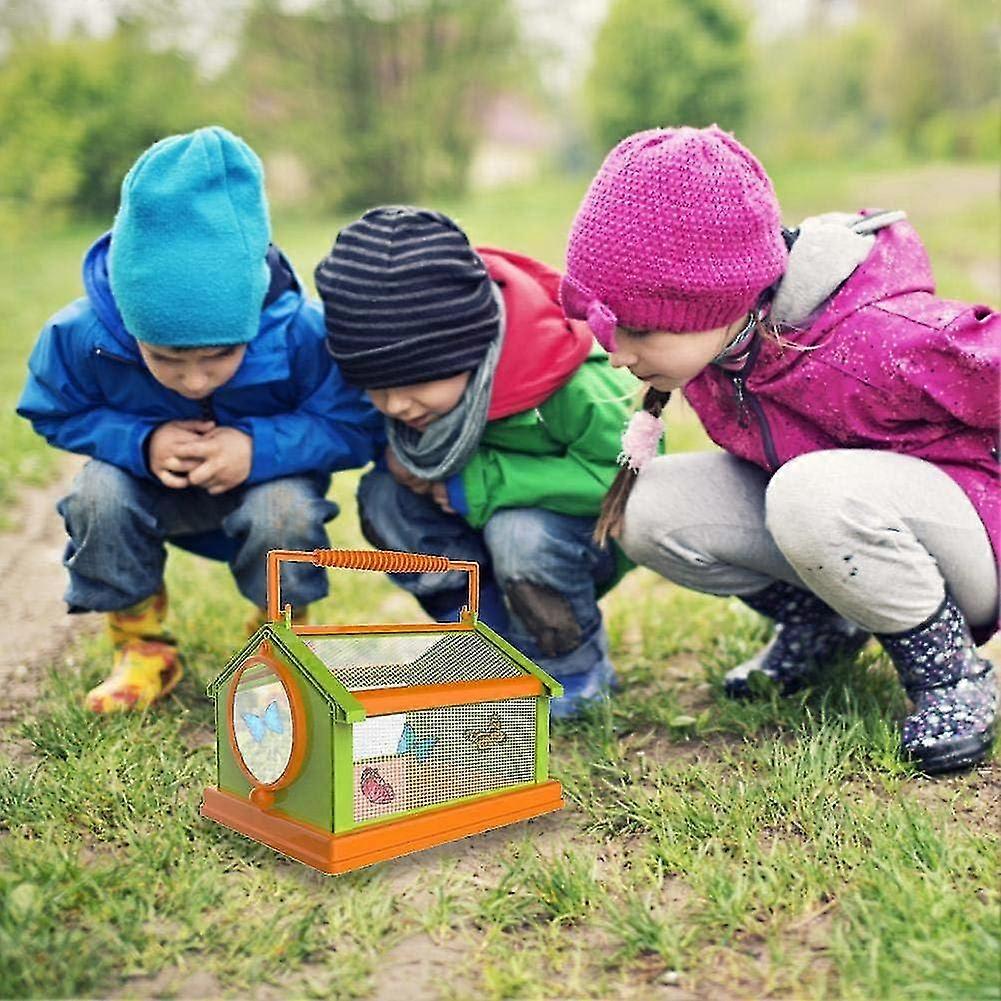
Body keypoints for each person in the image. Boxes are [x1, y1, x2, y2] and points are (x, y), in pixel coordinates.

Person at [559, 124, 998, 772]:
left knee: (806, 491)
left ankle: (951, 674)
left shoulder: (879, 338)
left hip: (966, 539)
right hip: (840, 521)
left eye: (639, 330)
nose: (616, 352)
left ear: (713, 298)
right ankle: (825, 626)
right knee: (644, 506)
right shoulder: (724, 345)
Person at [17, 127, 382, 713]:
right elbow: (53, 408)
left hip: (266, 488)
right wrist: (141, 440)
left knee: (284, 511)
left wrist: (257, 448)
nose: (193, 380)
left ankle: (279, 642)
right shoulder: (81, 334)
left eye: (219, 356)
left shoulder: (302, 332)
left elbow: (355, 424)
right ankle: (141, 646)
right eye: (164, 358)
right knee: (96, 495)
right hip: (148, 488)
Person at [315, 206, 639, 717]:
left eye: (414, 383)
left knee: (520, 532)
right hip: (474, 531)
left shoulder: (571, 380)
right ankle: (483, 650)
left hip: (572, 539)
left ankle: (573, 666)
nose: (396, 405)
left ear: (470, 350)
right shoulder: (406, 393)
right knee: (385, 499)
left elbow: (626, 481)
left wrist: (482, 482)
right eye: (376, 388)